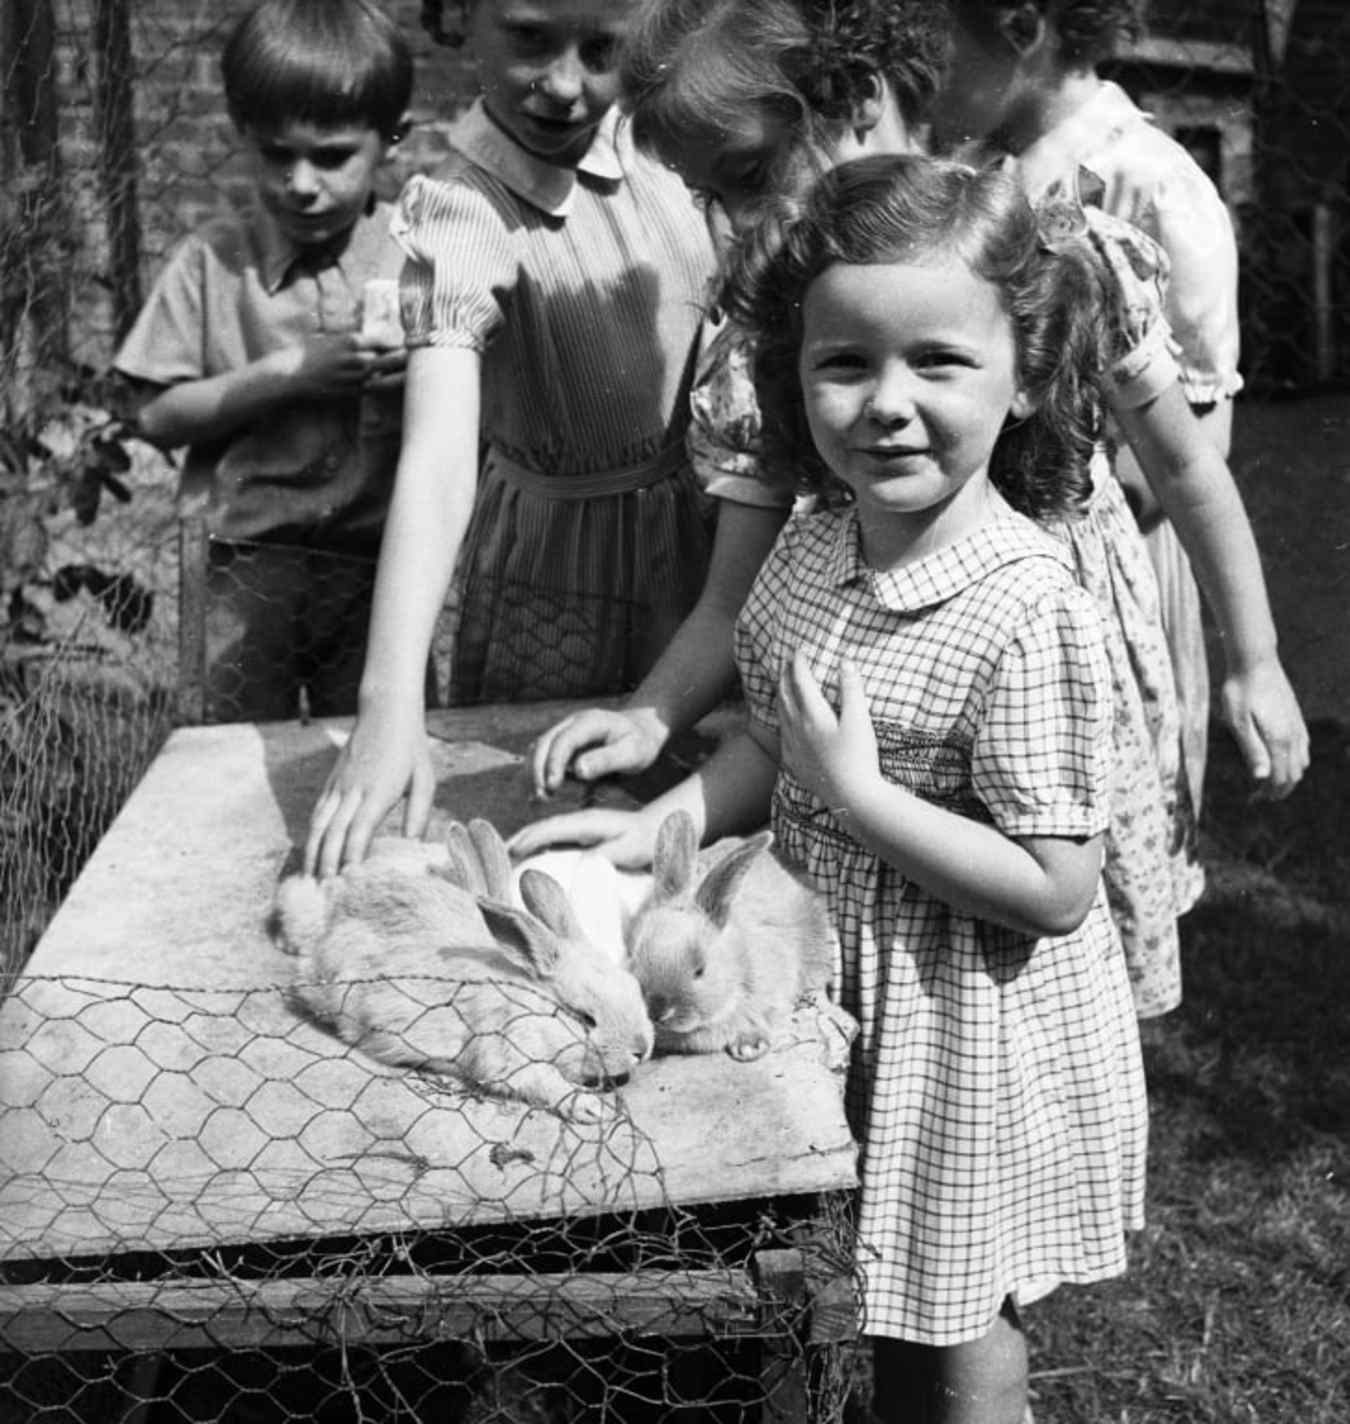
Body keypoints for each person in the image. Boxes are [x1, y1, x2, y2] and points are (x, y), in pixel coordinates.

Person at [515, 154, 1149, 1424]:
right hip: (818, 976)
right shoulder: (811, 541)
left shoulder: (1029, 610)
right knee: (833, 1282)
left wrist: (862, 798)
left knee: (951, 1321)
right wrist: (667, 828)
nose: (887, 404)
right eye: (845, 363)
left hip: (960, 1017)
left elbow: (1057, 887)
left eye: (938, 362)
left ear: (1022, 375)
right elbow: (772, 741)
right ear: (794, 379)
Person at [527, 0, 1309, 1018]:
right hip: (888, 703)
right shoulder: (777, 338)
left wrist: (1254, 656)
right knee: (898, 973)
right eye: (714, 198)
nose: (743, 223)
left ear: (848, 102)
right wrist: (651, 714)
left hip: (1048, 680)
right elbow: (736, 594)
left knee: (1062, 954)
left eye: (755, 175)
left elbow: (1192, 469)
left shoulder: (1051, 256)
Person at [305, 0, 719, 876]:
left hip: (700, 558)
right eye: (530, 38)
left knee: (687, 845)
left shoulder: (669, 150)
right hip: (559, 582)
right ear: (463, 15)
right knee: (548, 841)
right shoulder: (463, 209)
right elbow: (440, 460)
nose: (566, 86)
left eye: (602, 49)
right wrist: (387, 707)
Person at [930, 0, 1246, 823]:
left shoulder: (1155, 187)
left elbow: (1191, 447)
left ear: (1020, 31)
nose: (920, 75)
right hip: (988, 564)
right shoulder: (971, 176)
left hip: (1105, 562)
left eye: (939, 47)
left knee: (1105, 823)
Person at [114, 0, 414, 723]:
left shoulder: (414, 255)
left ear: (391, 143)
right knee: (233, 750)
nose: (301, 183)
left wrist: (421, 370)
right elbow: (153, 415)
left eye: (334, 156)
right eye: (278, 154)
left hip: (379, 566)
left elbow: (476, 401)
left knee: (371, 742)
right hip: (245, 564)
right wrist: (288, 373)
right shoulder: (212, 262)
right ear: (244, 137)